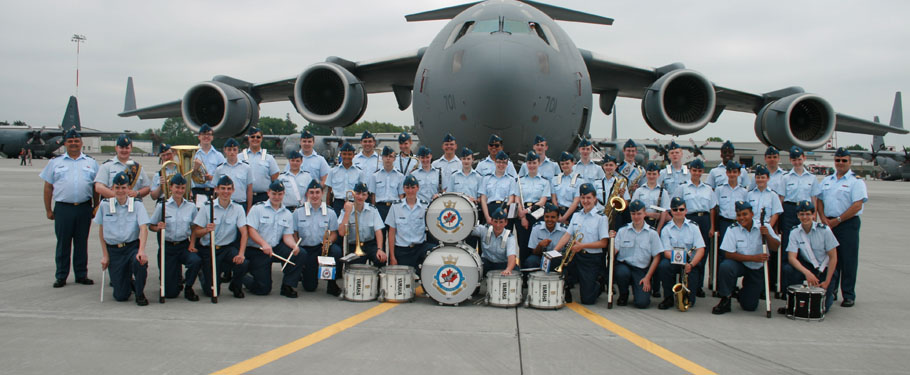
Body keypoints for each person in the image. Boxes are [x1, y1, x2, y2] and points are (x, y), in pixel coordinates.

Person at [40, 129, 99, 288]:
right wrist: (48, 209)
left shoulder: (91, 162)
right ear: (65, 143)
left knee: (81, 243)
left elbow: (96, 187)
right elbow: (48, 187)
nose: (73, 143)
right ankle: (61, 276)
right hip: (63, 208)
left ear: (81, 143)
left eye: (76, 141)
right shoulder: (55, 162)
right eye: (70, 141)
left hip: (83, 208)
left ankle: (81, 275)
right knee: (63, 243)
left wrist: (96, 206)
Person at [815, 147, 867, 308]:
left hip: (847, 224)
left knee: (848, 260)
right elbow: (819, 200)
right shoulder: (827, 180)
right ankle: (832, 290)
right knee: (831, 259)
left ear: (849, 162)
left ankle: (849, 294)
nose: (840, 163)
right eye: (838, 160)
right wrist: (823, 218)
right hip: (829, 224)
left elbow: (857, 205)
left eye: (844, 160)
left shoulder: (856, 182)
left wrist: (838, 220)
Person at [712, 201, 780, 314]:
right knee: (726, 267)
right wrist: (753, 258)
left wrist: (767, 235)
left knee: (749, 306)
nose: (741, 218)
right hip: (740, 264)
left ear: (752, 214)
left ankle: (742, 294)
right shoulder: (732, 229)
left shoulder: (764, 226)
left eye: (745, 214)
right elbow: (728, 254)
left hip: (757, 267)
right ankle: (726, 298)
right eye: (739, 215)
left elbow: (775, 247)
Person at [94, 172, 150, 305]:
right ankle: (128, 282)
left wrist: (141, 251)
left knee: (140, 262)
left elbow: (143, 228)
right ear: (112, 188)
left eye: (123, 187)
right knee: (121, 296)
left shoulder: (136, 204)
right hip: (114, 251)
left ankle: (140, 293)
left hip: (131, 247)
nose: (120, 191)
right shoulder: (105, 205)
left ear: (128, 188)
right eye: (117, 188)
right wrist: (105, 255)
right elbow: (102, 231)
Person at [191, 176, 249, 299]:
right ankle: (203, 274)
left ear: (233, 190)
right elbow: (196, 232)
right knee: (211, 292)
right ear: (216, 189)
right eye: (223, 188)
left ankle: (235, 286)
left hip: (227, 249)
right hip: (209, 249)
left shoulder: (238, 209)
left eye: (228, 189)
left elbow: (244, 233)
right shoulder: (207, 207)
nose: (225, 192)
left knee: (243, 263)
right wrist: (206, 230)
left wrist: (241, 254)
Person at [243, 180, 303, 297]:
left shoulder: (287, 213)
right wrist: (263, 244)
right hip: (258, 250)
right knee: (263, 289)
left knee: (299, 254)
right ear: (268, 193)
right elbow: (251, 231)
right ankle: (242, 277)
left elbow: (287, 236)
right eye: (274, 194)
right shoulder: (257, 209)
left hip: (275, 247)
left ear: (283, 194)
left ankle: (287, 286)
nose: (276, 197)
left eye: (280, 194)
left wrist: (293, 245)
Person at [552, 183, 609, 305]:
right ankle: (566, 287)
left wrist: (582, 246)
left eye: (588, 198)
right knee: (555, 261)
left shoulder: (601, 218)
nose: (585, 201)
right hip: (575, 255)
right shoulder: (576, 215)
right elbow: (567, 235)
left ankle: (599, 282)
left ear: (595, 199)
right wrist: (554, 251)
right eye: (583, 198)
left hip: (591, 258)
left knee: (587, 300)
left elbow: (604, 243)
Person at [148, 174, 202, 301]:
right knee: (170, 294)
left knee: (195, 261)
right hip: (168, 248)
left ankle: (188, 287)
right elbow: (151, 226)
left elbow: (194, 228)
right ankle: (175, 281)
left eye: (182, 188)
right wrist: (158, 227)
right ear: (171, 187)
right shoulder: (162, 206)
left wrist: (192, 244)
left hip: (183, 245)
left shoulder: (191, 207)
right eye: (177, 187)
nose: (180, 190)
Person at [779, 200, 839, 314]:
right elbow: (792, 258)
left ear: (813, 215)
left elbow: (833, 257)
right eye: (802, 214)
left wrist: (827, 282)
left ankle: (829, 295)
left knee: (821, 308)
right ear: (797, 216)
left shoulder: (824, 230)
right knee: (788, 269)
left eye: (808, 214)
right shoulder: (795, 232)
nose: (805, 217)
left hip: (824, 269)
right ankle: (792, 298)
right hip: (808, 267)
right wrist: (807, 273)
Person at [610, 200, 664, 308]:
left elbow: (657, 257)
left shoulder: (652, 233)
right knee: (621, 272)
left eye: (639, 214)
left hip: (641, 270)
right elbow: (613, 252)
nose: (636, 217)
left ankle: (638, 291)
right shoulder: (622, 231)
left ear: (644, 214)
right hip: (624, 266)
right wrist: (610, 240)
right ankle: (623, 294)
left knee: (642, 303)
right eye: (633, 214)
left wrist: (647, 277)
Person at [293, 180, 343, 296]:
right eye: (311, 192)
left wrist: (328, 242)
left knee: (336, 251)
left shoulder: (330, 212)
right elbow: (294, 233)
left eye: (317, 192)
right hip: (306, 250)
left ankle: (332, 284)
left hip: (322, 248)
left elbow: (334, 233)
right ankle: (306, 271)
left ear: (322, 194)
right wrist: (298, 248)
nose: (314, 196)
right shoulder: (298, 212)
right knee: (310, 287)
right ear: (307, 194)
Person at [656, 197, 706, 309]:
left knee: (689, 301)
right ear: (671, 211)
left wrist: (691, 264)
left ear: (686, 211)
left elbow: (701, 249)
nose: (678, 212)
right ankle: (668, 297)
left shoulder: (694, 227)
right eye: (675, 209)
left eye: (681, 209)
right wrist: (683, 262)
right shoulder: (666, 229)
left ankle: (687, 295)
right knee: (664, 266)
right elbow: (666, 252)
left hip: (691, 262)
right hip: (673, 260)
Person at [678, 158, 715, 297]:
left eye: (699, 170)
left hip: (704, 220)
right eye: (694, 170)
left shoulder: (708, 189)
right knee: (688, 251)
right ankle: (686, 282)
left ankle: (698, 285)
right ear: (690, 171)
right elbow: (677, 207)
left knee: (702, 253)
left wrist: (712, 227)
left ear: (702, 171)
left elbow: (712, 209)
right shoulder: (683, 188)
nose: (697, 173)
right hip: (689, 219)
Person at [386, 175, 433, 269]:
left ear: (418, 188)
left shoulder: (425, 206)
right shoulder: (396, 206)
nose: (410, 191)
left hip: (419, 248)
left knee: (437, 251)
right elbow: (392, 232)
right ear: (403, 189)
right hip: (402, 250)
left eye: (413, 187)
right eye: (407, 188)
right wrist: (392, 256)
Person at [780, 146, 819, 252]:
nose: (797, 162)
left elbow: (814, 199)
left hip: (806, 211)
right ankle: (787, 261)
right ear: (790, 160)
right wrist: (781, 217)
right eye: (794, 160)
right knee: (787, 239)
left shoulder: (812, 178)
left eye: (799, 159)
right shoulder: (785, 178)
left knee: (805, 239)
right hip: (789, 210)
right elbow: (781, 199)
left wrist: (814, 216)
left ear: (804, 158)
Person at [514, 150, 550, 266]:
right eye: (529, 163)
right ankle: (524, 272)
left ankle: (537, 270)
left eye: (534, 163)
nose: (532, 165)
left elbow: (543, 201)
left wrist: (528, 210)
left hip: (538, 215)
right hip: (523, 215)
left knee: (538, 245)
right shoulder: (520, 181)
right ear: (526, 164)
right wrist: (523, 216)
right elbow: (517, 199)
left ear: (538, 163)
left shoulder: (544, 182)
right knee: (523, 245)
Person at [337, 182, 387, 265]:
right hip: (353, 245)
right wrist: (347, 213)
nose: (360, 197)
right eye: (357, 194)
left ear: (367, 196)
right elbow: (341, 233)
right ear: (353, 195)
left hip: (370, 244)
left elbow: (378, 231)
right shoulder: (346, 210)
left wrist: (380, 249)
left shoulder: (373, 210)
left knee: (381, 259)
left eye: (363, 194)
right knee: (354, 268)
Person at [94, 134, 151, 200]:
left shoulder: (137, 167)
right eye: (121, 147)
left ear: (131, 149)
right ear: (116, 148)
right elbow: (98, 187)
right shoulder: (107, 166)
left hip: (132, 205)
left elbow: (147, 188)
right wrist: (118, 196)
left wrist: (137, 193)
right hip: (112, 204)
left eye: (127, 148)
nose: (124, 150)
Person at [469, 207, 518, 275]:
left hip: (503, 264)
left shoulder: (509, 237)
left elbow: (512, 257)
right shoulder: (484, 230)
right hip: (487, 263)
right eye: (495, 221)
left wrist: (508, 269)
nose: (498, 225)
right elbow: (467, 228)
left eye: (501, 222)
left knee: (516, 272)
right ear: (491, 221)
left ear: (506, 223)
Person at [241, 127, 280, 208]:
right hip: (244, 196)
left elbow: (274, 178)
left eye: (258, 137)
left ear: (261, 138)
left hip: (263, 197)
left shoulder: (269, 158)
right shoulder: (240, 157)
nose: (255, 139)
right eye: (252, 137)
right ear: (248, 138)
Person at [714, 160, 749, 247]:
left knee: (739, 247)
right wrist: (716, 227)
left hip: (739, 223)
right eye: (730, 172)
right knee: (723, 248)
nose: (732, 174)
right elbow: (716, 209)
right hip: (724, 223)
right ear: (726, 173)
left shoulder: (744, 192)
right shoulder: (719, 190)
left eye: (734, 172)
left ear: (739, 173)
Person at [212, 138, 253, 211]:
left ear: (238, 151)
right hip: (224, 204)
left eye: (234, 150)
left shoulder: (246, 168)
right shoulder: (219, 169)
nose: (232, 152)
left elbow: (249, 190)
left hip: (241, 204)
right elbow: (216, 190)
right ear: (225, 150)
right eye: (229, 150)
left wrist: (249, 209)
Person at [368, 146, 405, 223]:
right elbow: (373, 196)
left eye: (390, 156)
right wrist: (373, 210)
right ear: (382, 158)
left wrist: (400, 210)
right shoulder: (375, 176)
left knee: (393, 230)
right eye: (386, 156)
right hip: (379, 208)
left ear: (394, 159)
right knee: (380, 230)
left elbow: (401, 196)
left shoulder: (400, 176)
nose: (388, 158)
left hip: (394, 207)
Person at [479, 150, 517, 225]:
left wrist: (505, 210)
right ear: (495, 162)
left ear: (507, 164)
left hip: (504, 208)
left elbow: (511, 198)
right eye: (499, 162)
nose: (501, 165)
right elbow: (483, 199)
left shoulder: (511, 180)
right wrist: (487, 216)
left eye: (504, 162)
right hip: (490, 209)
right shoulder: (486, 178)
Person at [527, 203, 567, 270]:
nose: (549, 220)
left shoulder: (564, 230)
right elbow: (534, 252)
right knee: (531, 261)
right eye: (547, 217)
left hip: (557, 258)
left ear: (557, 218)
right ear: (543, 217)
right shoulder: (536, 228)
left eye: (553, 217)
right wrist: (540, 245)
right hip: (540, 256)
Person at [632, 162, 670, 232]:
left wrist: (658, 230)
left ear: (658, 175)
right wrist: (650, 214)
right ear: (646, 174)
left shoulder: (663, 192)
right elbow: (634, 209)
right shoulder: (639, 191)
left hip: (656, 223)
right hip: (641, 223)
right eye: (649, 174)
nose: (651, 176)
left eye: (654, 174)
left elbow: (664, 212)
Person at [326, 142, 363, 216]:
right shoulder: (333, 171)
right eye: (344, 154)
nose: (347, 156)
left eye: (349, 154)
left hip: (354, 203)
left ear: (353, 155)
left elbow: (362, 192)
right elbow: (329, 192)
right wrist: (328, 208)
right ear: (341, 155)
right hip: (338, 204)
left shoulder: (359, 172)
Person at [595, 154, 630, 230]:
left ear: (616, 167)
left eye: (611, 165)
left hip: (614, 216)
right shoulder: (596, 183)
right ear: (603, 167)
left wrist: (622, 196)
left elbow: (626, 204)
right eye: (606, 165)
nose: (608, 167)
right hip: (598, 215)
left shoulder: (620, 182)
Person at [192, 124, 226, 199]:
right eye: (204, 134)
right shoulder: (192, 154)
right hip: (196, 191)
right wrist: (195, 168)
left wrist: (211, 178)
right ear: (199, 137)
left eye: (209, 134)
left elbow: (223, 175)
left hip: (213, 192)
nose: (206, 136)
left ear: (212, 137)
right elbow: (186, 176)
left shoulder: (219, 156)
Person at [550, 151, 581, 225]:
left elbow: (576, 202)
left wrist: (564, 218)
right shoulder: (555, 179)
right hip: (558, 213)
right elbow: (554, 199)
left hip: (572, 213)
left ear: (573, 163)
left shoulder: (579, 180)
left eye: (567, 163)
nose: (564, 166)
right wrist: (558, 215)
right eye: (562, 164)